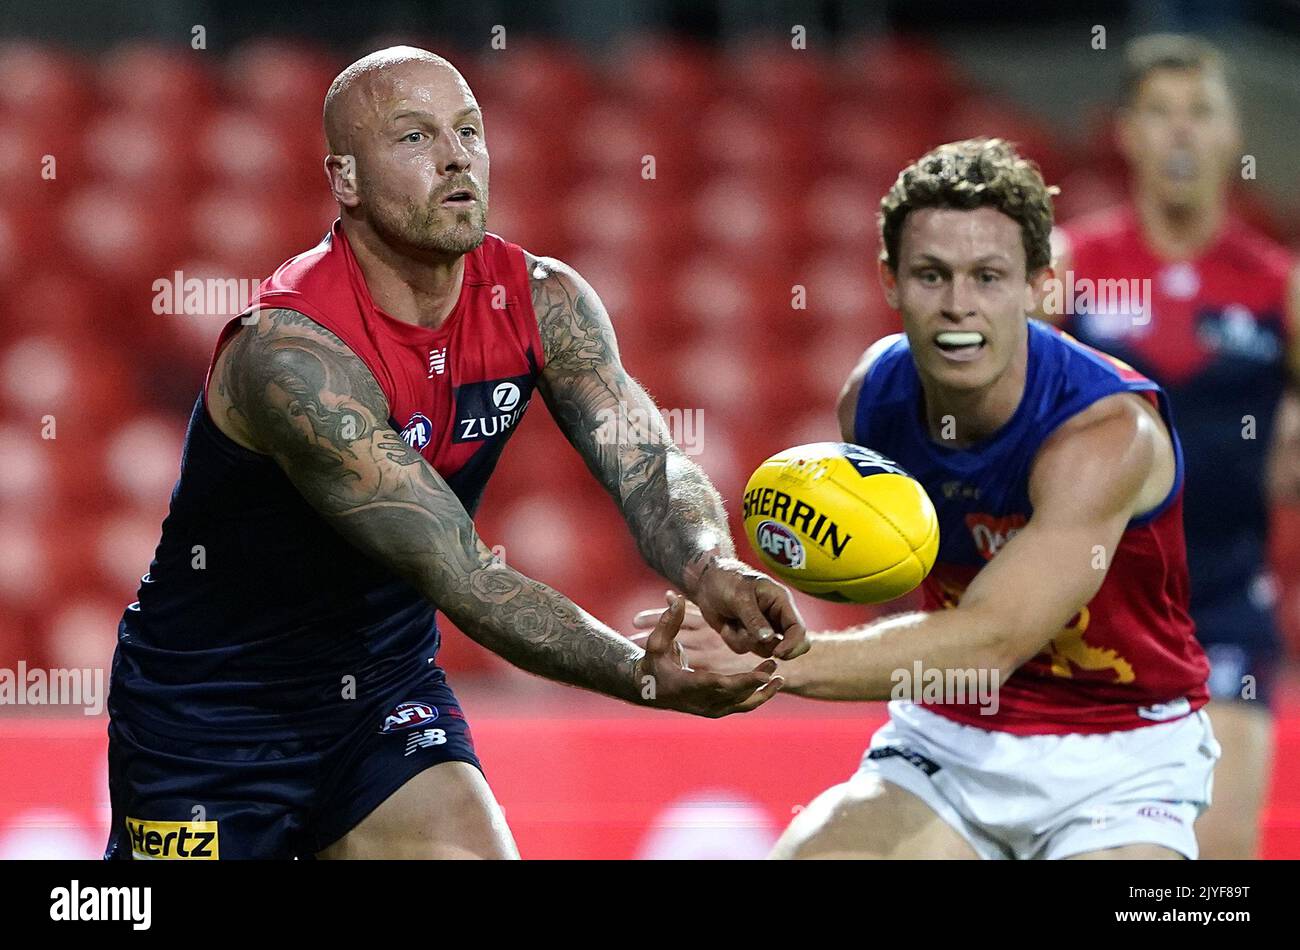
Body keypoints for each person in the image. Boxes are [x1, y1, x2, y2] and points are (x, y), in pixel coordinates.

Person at [104, 46, 805, 861]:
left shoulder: (544, 299)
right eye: (413, 137)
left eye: (469, 131)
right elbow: (464, 576)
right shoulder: (294, 360)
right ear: (346, 181)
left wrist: (709, 563)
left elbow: (646, 462)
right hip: (211, 713)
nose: (455, 155)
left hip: (382, 694)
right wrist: (640, 675)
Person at [639, 138, 1217, 860]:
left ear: (1040, 286)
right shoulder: (875, 399)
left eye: (988, 277)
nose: (958, 306)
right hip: (949, 743)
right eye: (932, 275)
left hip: (1120, 758)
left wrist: (768, 663)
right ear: (890, 280)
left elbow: (990, 640)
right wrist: (743, 611)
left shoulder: (1106, 433)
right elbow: (892, 584)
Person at [1052, 34, 1299, 858]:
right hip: (1088, 615)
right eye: (1159, 114)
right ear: (1125, 133)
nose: (1181, 133)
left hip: (1224, 607)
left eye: (1201, 113)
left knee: (1217, 879)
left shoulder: (1280, 287)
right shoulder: (1070, 268)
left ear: (1234, 135)